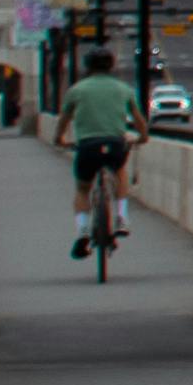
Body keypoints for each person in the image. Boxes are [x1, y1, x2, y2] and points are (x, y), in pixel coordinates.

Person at [57, 57, 141, 272]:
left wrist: (59, 138)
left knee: (83, 187)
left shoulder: (77, 90)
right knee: (120, 170)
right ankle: (122, 216)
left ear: (88, 67)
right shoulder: (123, 88)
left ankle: (83, 230)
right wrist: (144, 136)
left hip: (87, 146)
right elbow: (139, 119)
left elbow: (64, 119)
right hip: (114, 144)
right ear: (111, 66)